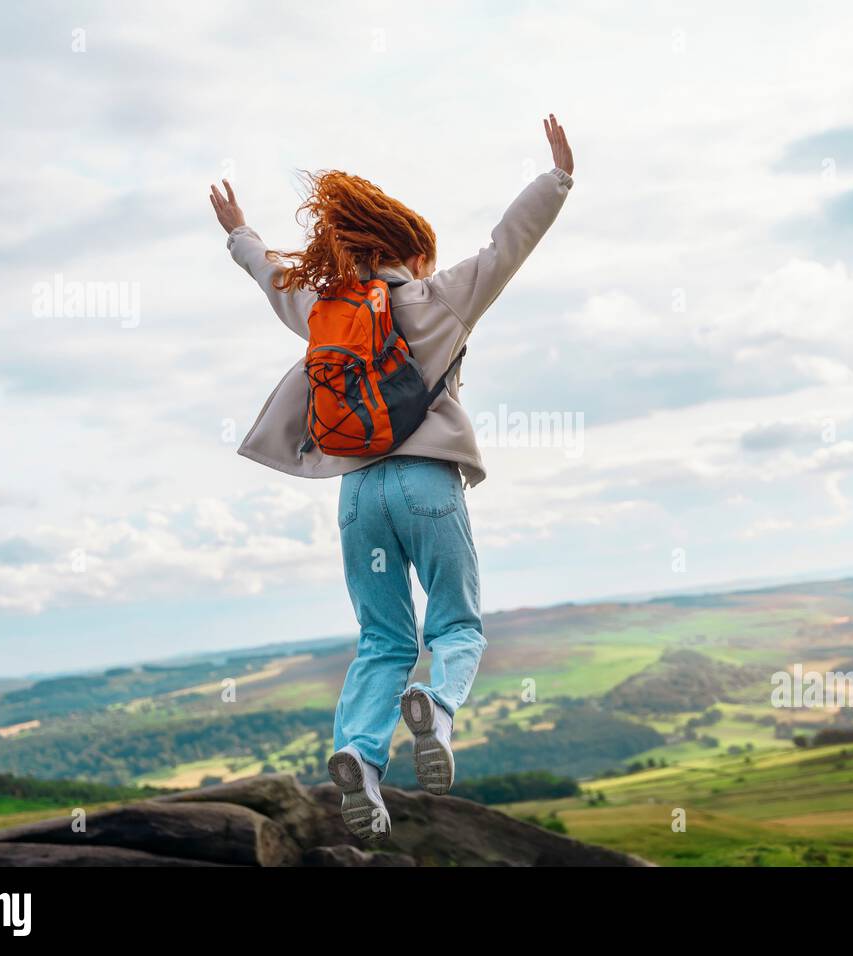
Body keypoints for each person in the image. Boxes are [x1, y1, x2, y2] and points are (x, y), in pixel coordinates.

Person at [209, 115, 574, 840]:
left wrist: (238, 233)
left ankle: (357, 756)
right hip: (427, 486)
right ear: (411, 249)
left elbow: (271, 275)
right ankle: (434, 711)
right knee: (457, 623)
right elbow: (509, 244)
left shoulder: (324, 312)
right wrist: (557, 178)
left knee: (382, 638)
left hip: (358, 496)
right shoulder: (440, 299)